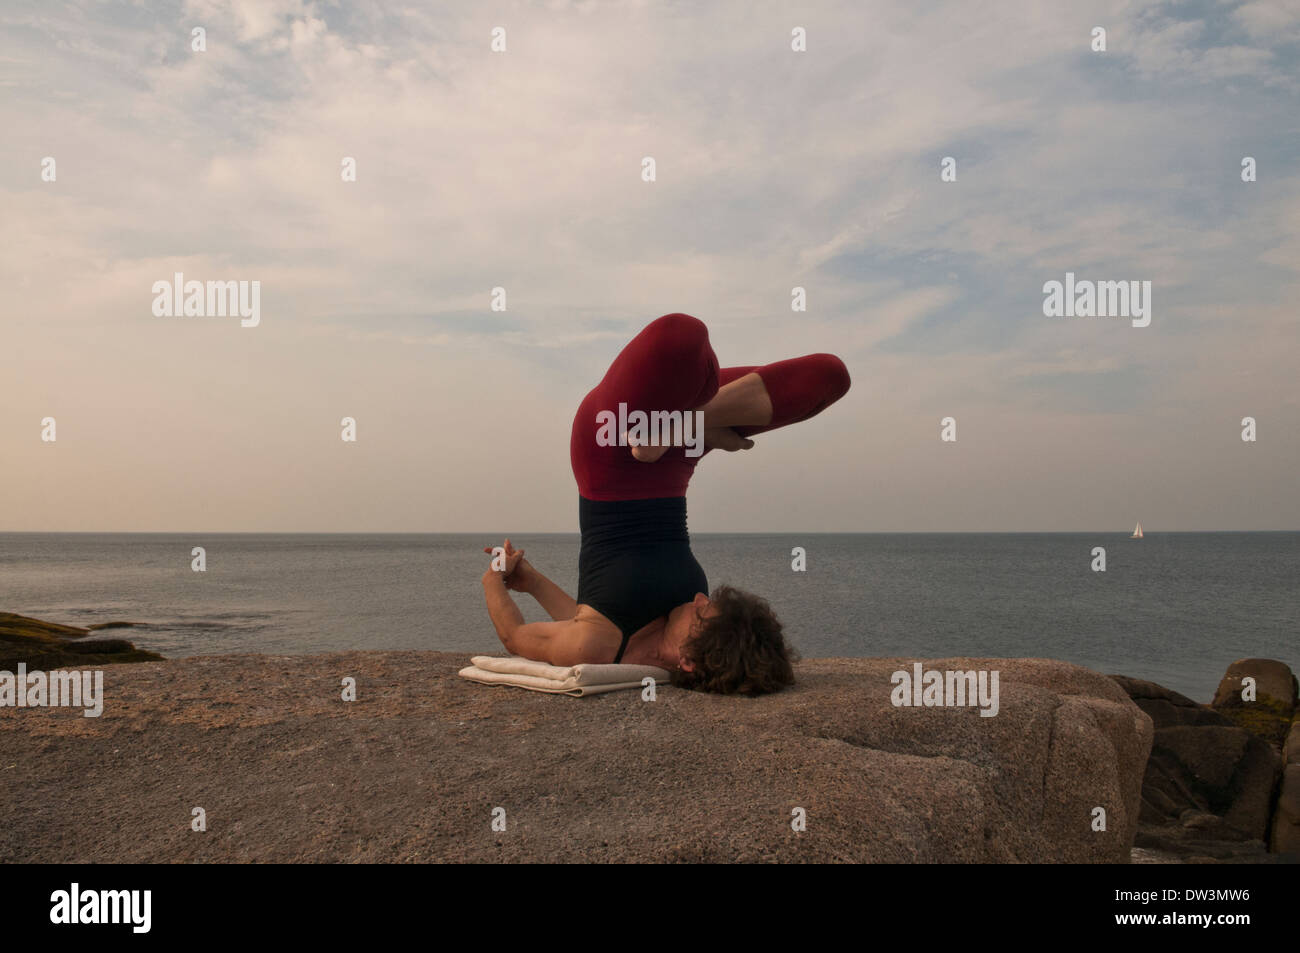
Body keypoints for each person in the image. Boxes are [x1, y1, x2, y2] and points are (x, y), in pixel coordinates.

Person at [481, 312, 850, 694]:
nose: (700, 597)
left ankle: (687, 420)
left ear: (687, 660)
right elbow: (589, 620)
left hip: (611, 445)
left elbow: (517, 635)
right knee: (829, 377)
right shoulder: (642, 626)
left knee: (680, 336)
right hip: (677, 451)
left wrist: (500, 577)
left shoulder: (599, 645)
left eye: (702, 611)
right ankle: (693, 420)